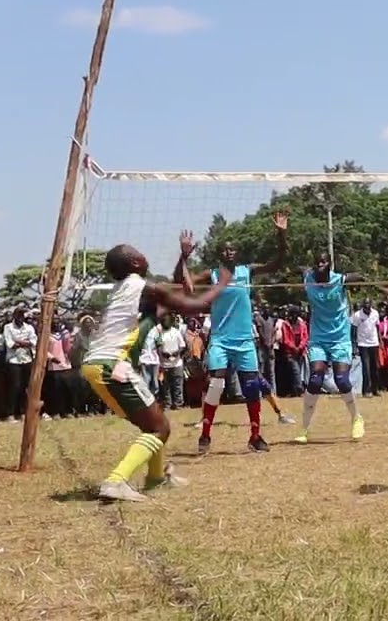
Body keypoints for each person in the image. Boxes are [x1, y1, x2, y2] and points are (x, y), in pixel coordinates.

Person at [82, 240, 233, 502]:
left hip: (98, 364)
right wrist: (222, 283)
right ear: (135, 263)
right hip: (111, 365)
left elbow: (176, 294)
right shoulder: (142, 287)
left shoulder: (126, 291)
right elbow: (192, 304)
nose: (145, 254)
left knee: (153, 422)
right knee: (158, 429)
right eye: (140, 252)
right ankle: (115, 482)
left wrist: (183, 259)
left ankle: (155, 478)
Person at [175, 213, 288, 454]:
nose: (229, 252)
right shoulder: (212, 275)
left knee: (251, 387)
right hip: (221, 340)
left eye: (233, 249)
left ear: (238, 253)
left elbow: (277, 263)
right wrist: (183, 257)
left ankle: (255, 437)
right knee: (216, 383)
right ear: (220, 254)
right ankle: (205, 434)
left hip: (245, 341)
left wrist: (281, 235)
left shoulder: (248, 272)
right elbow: (183, 283)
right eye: (225, 250)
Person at [296, 253, 366, 443]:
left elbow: (358, 276)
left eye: (324, 261)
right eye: (317, 262)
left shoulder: (340, 280)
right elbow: (296, 267)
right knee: (315, 378)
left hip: (340, 338)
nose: (320, 264)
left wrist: (365, 280)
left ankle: (356, 418)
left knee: (341, 380)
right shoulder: (308, 279)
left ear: (329, 264)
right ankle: (304, 429)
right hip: (318, 337)